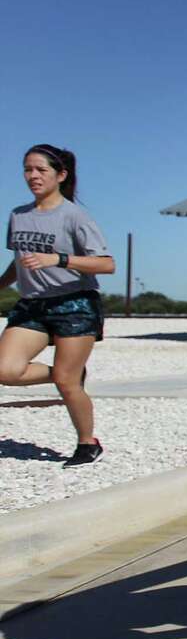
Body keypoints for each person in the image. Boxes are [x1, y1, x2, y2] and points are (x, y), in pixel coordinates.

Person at [1, 145, 115, 466]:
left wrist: (59, 259)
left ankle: (87, 443)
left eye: (41, 170)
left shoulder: (75, 217)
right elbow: (19, 265)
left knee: (66, 384)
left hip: (75, 305)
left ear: (60, 175)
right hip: (32, 306)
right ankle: (68, 373)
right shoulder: (17, 215)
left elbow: (107, 264)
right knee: (5, 370)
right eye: (28, 170)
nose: (33, 176)